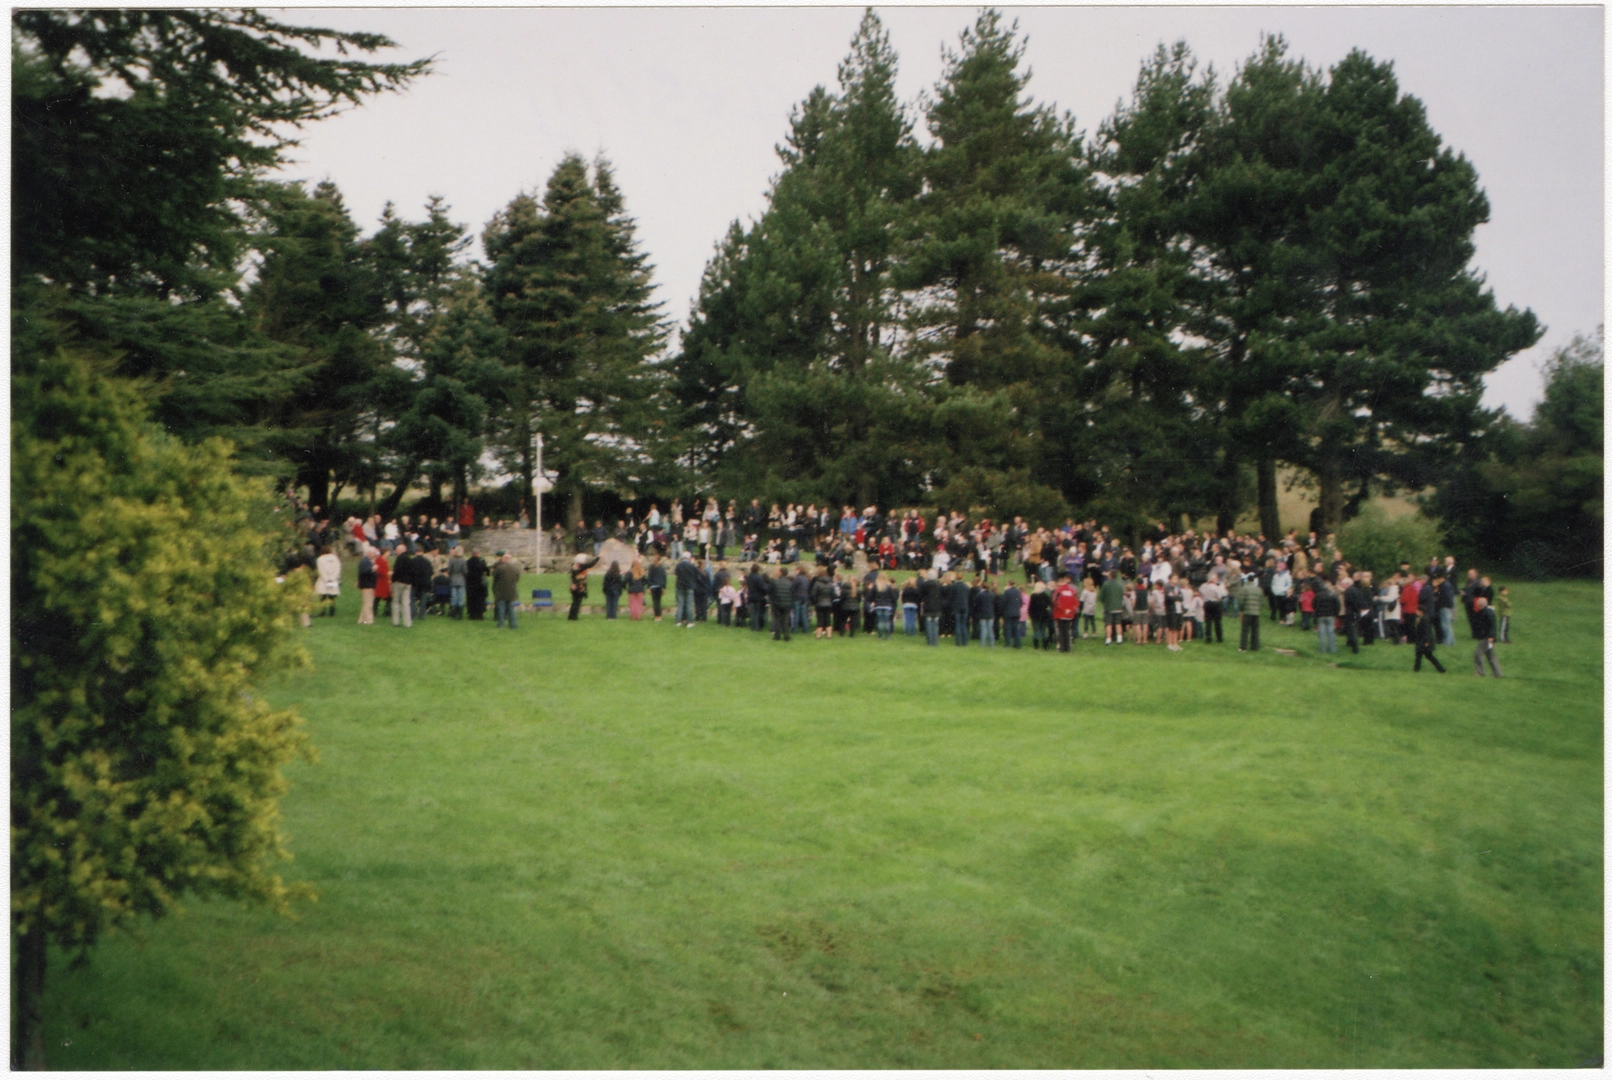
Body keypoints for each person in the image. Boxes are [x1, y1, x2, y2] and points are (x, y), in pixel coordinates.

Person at [1412, 592, 1446, 673]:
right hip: (1421, 641)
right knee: (1420, 655)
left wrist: (1427, 641)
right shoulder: (1422, 618)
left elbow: (1427, 631)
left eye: (1417, 610)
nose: (1416, 611)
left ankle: (1441, 669)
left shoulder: (1424, 619)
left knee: (1428, 656)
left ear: (1421, 611)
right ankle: (1416, 669)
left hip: (1424, 642)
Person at [1471, 595, 1502, 677]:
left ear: (1480, 604)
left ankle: (1480, 672)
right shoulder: (1487, 612)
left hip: (1486, 637)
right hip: (1488, 637)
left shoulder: (1486, 613)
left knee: (1478, 654)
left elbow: (1492, 625)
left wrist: (1491, 636)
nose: (1476, 605)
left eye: (1477, 604)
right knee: (1491, 656)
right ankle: (1497, 673)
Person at [492, 550, 522, 629]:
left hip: (501, 591)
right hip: (511, 591)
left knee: (501, 609)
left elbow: (495, 578)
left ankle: (501, 624)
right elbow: (517, 579)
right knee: (511, 609)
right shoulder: (515, 569)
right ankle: (513, 624)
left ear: (504, 559)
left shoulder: (500, 568)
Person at [1051, 573, 1079, 653]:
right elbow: (1076, 602)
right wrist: (1070, 610)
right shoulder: (1072, 591)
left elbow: (1055, 602)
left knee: (1060, 631)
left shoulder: (1058, 590)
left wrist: (1063, 610)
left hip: (1060, 614)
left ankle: (1061, 647)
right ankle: (1068, 648)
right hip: (1069, 614)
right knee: (1067, 631)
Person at [1236, 573, 1264, 651]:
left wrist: (1241, 609)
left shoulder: (1244, 588)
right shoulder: (1259, 589)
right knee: (1255, 630)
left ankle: (1243, 647)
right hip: (1256, 613)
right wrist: (1258, 609)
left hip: (1247, 612)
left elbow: (1241, 601)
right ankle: (1254, 647)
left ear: (1247, 580)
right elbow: (1261, 602)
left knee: (1245, 630)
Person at [1313, 580, 1341, 654]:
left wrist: (1317, 611)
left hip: (1320, 615)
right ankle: (1332, 649)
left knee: (1321, 633)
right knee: (1331, 632)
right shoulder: (1333, 595)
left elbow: (1313, 604)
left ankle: (1322, 649)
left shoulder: (1318, 595)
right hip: (1330, 615)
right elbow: (1338, 605)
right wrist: (1335, 614)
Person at [673, 550, 700, 627]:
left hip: (680, 586)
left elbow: (676, 573)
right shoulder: (691, 565)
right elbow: (697, 575)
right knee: (689, 605)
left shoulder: (678, 565)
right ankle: (689, 622)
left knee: (680, 604)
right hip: (689, 587)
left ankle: (678, 621)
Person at [390, 542, 413, 627]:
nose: (396, 552)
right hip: (408, 583)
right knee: (406, 603)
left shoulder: (399, 559)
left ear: (399, 550)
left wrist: (392, 580)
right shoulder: (409, 558)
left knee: (395, 602)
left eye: (396, 550)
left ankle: (395, 622)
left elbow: (397, 571)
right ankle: (407, 623)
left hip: (398, 582)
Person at [569, 553, 599, 621]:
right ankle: (574, 617)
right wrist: (598, 558)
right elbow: (590, 564)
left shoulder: (575, 566)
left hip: (574, 586)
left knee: (574, 602)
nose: (585, 560)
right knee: (577, 602)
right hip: (579, 587)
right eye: (584, 559)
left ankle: (571, 616)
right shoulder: (581, 566)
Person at [314, 544, 341, 617]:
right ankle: (332, 612)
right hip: (333, 579)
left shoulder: (320, 559)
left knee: (322, 597)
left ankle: (322, 612)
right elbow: (338, 569)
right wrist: (333, 578)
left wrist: (326, 579)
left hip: (323, 580)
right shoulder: (335, 558)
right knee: (331, 597)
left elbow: (321, 570)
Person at [768, 566, 794, 641]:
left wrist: (772, 601)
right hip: (787, 604)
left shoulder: (774, 582)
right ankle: (786, 636)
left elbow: (770, 592)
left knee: (777, 620)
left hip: (776, 603)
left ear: (780, 572)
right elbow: (792, 594)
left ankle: (777, 636)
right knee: (785, 620)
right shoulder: (790, 583)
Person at [464, 549, 488, 621]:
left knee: (471, 599)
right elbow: (487, 571)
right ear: (478, 554)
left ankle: (472, 614)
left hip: (470, 584)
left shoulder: (468, 562)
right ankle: (480, 614)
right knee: (480, 600)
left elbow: (465, 572)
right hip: (479, 584)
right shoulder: (481, 562)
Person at [356, 545, 377, 625]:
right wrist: (372, 569)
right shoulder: (365, 562)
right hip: (367, 585)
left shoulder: (368, 561)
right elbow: (363, 572)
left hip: (368, 585)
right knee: (368, 604)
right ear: (369, 553)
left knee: (366, 603)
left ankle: (362, 620)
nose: (374, 555)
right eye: (373, 553)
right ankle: (369, 620)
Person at [1000, 580, 1023, 649]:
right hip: (1017, 613)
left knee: (1008, 628)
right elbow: (1021, 602)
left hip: (1008, 613)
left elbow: (1003, 603)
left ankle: (1008, 643)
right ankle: (1017, 644)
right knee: (1016, 628)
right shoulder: (1018, 592)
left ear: (1008, 584)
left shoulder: (1007, 592)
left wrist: (1002, 612)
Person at [447, 547, 467, 620]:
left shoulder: (451, 560)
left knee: (454, 598)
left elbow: (449, 570)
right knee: (460, 598)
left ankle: (453, 614)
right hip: (461, 580)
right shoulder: (463, 560)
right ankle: (460, 614)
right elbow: (465, 571)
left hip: (453, 580)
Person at [647, 554, 667, 622]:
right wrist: (664, 587)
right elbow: (664, 578)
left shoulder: (651, 567)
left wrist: (648, 587)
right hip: (660, 586)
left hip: (653, 586)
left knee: (655, 602)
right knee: (658, 602)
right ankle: (659, 616)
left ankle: (656, 616)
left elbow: (649, 577)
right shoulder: (661, 568)